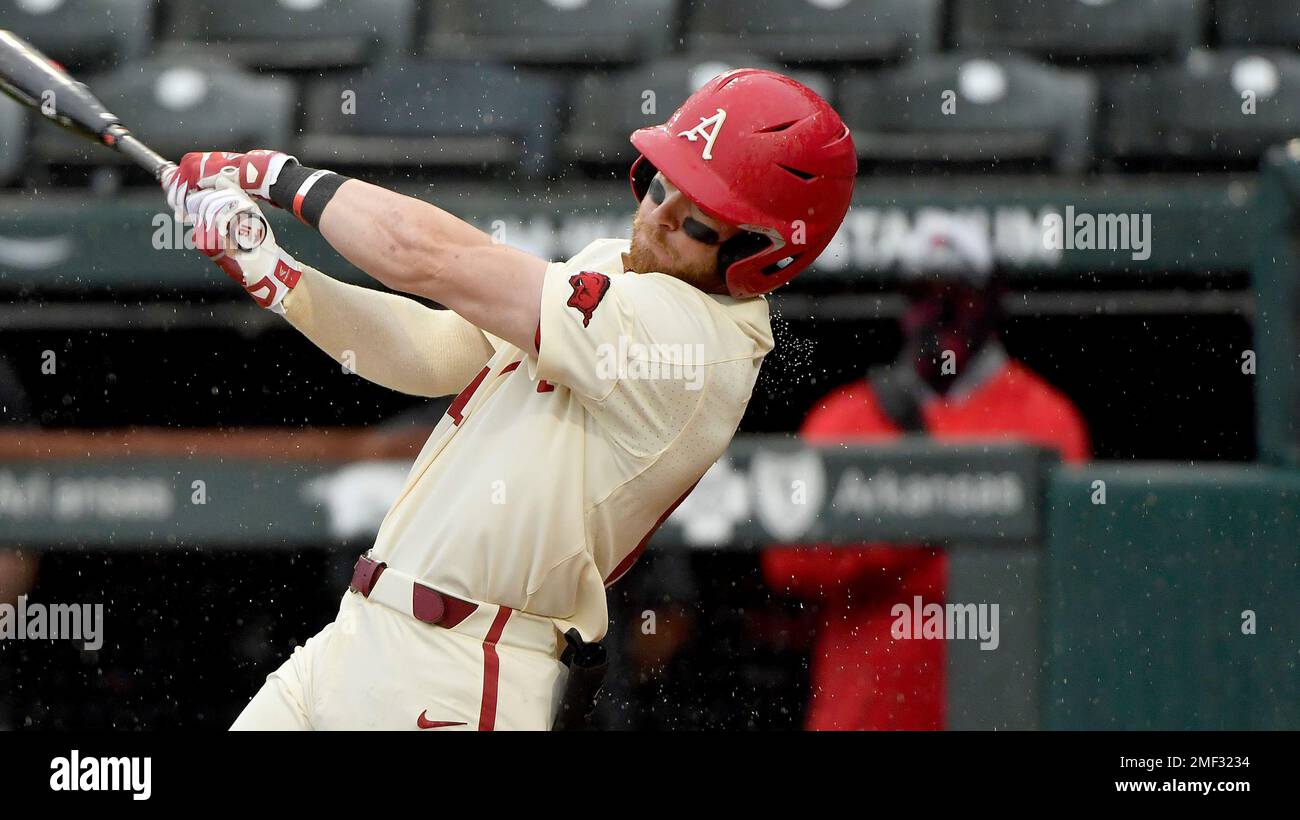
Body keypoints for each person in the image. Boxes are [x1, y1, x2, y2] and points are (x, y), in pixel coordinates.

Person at [162, 69, 857, 730]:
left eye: (698, 222)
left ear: (765, 252)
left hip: (461, 672)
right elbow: (438, 350)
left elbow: (433, 259)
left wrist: (278, 177)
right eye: (660, 187)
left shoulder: (698, 343)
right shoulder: (613, 264)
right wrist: (279, 276)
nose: (658, 219)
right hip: (359, 632)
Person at [762, 212, 1089, 731]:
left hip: (1000, 711)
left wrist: (886, 517)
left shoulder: (1045, 420)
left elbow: (1068, 579)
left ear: (992, 301)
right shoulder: (844, 417)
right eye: (922, 293)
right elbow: (788, 561)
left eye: (957, 295)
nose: (939, 313)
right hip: (863, 716)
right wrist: (933, 521)